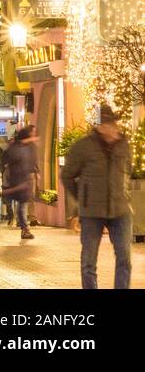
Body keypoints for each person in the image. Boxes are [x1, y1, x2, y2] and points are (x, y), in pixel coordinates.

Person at [61, 105, 133, 289]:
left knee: (124, 257)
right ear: (99, 126)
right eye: (107, 124)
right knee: (88, 261)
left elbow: (127, 172)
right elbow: (67, 175)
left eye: (113, 124)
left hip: (120, 209)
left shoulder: (124, 144)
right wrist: (82, 197)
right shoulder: (83, 146)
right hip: (92, 211)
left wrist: (126, 195)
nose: (111, 128)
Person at [0, 126, 39, 240]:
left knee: (23, 204)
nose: (34, 136)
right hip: (18, 179)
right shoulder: (16, 147)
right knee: (22, 204)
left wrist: (36, 172)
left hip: (26, 178)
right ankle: (24, 228)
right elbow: (10, 157)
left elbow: (33, 161)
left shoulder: (31, 147)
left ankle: (24, 227)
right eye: (32, 133)